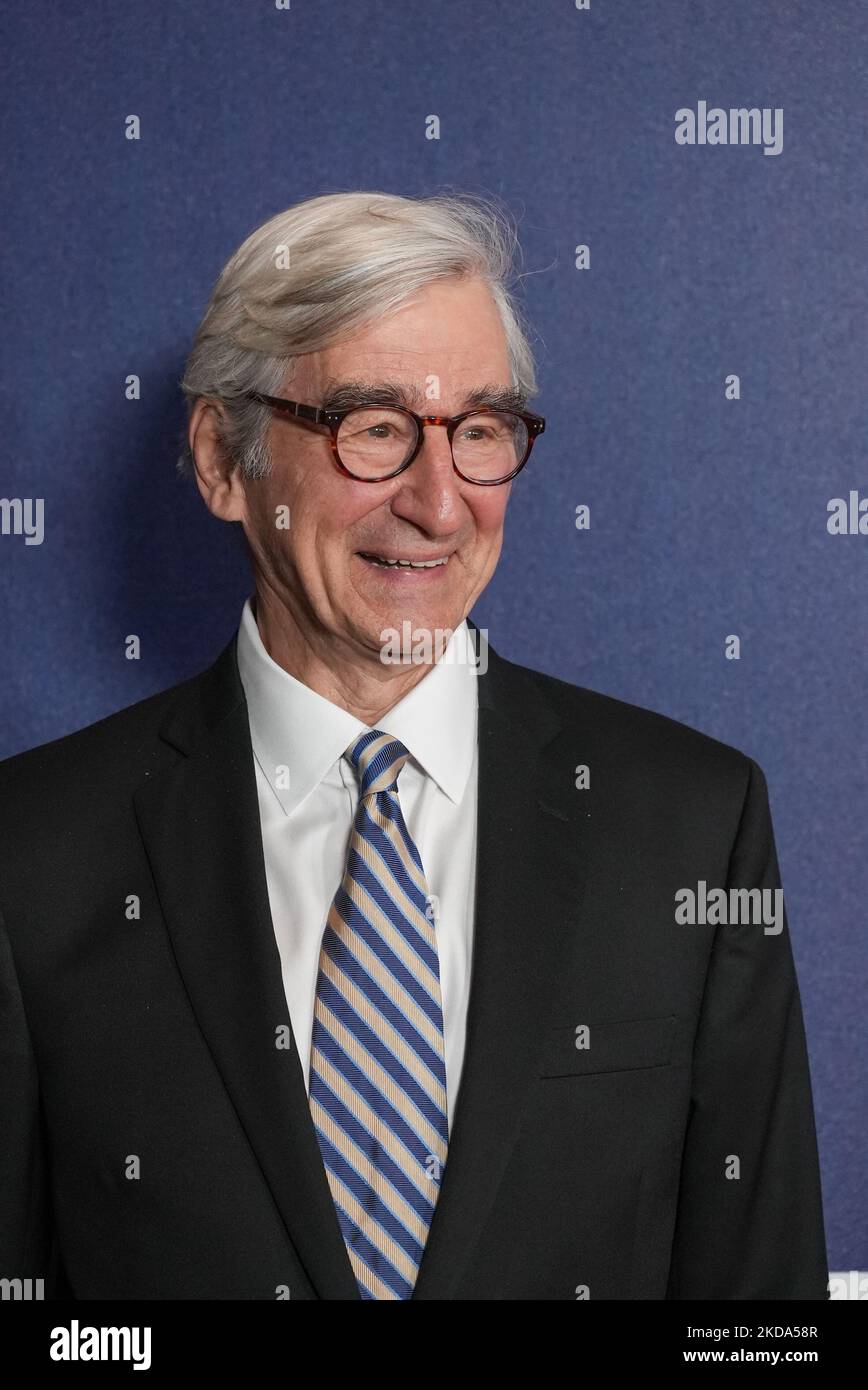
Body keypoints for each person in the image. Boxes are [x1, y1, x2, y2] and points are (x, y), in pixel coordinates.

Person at [0, 191, 827, 1300]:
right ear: (218, 459)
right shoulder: (34, 851)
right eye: (374, 427)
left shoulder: (691, 825)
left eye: (480, 431)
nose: (440, 503)